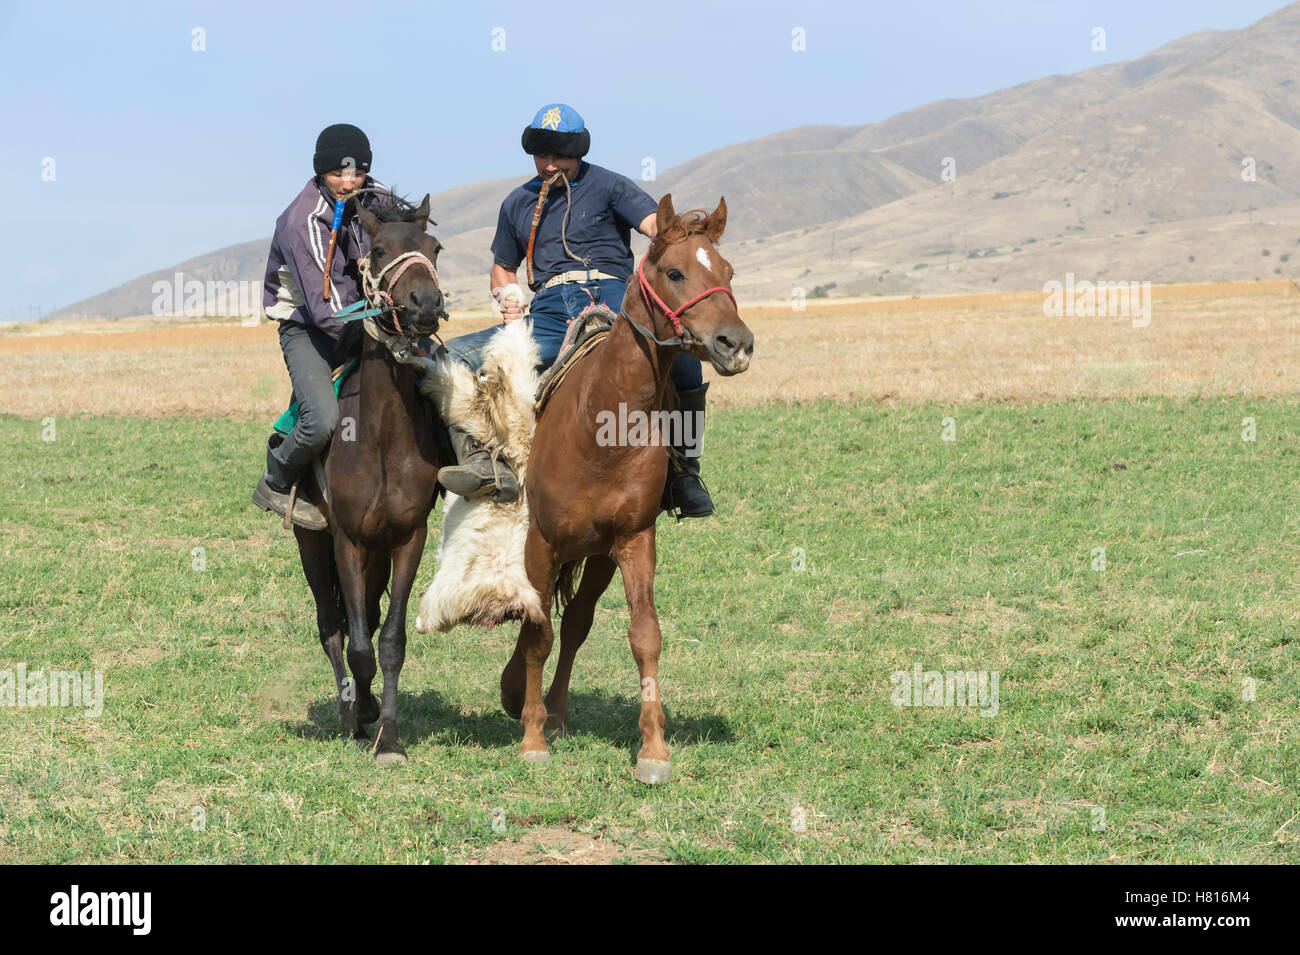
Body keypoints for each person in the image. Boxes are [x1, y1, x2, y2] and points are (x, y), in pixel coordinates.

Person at [437, 103, 716, 518]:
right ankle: (484, 463)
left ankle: (684, 470)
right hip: (549, 310)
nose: (550, 165)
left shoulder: (609, 186)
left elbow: (653, 224)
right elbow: (502, 267)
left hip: (618, 302)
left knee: (686, 362)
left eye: (561, 156)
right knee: (451, 356)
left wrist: (675, 232)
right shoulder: (517, 203)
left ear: (579, 152)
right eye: (543, 156)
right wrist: (507, 295)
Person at [251, 123, 386, 529]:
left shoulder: (376, 197)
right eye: (338, 174)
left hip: (369, 316)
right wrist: (380, 319)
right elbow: (326, 309)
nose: (349, 183)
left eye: (357, 173)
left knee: (431, 379)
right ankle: (275, 480)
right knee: (322, 419)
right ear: (320, 172)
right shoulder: (301, 221)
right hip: (309, 327)